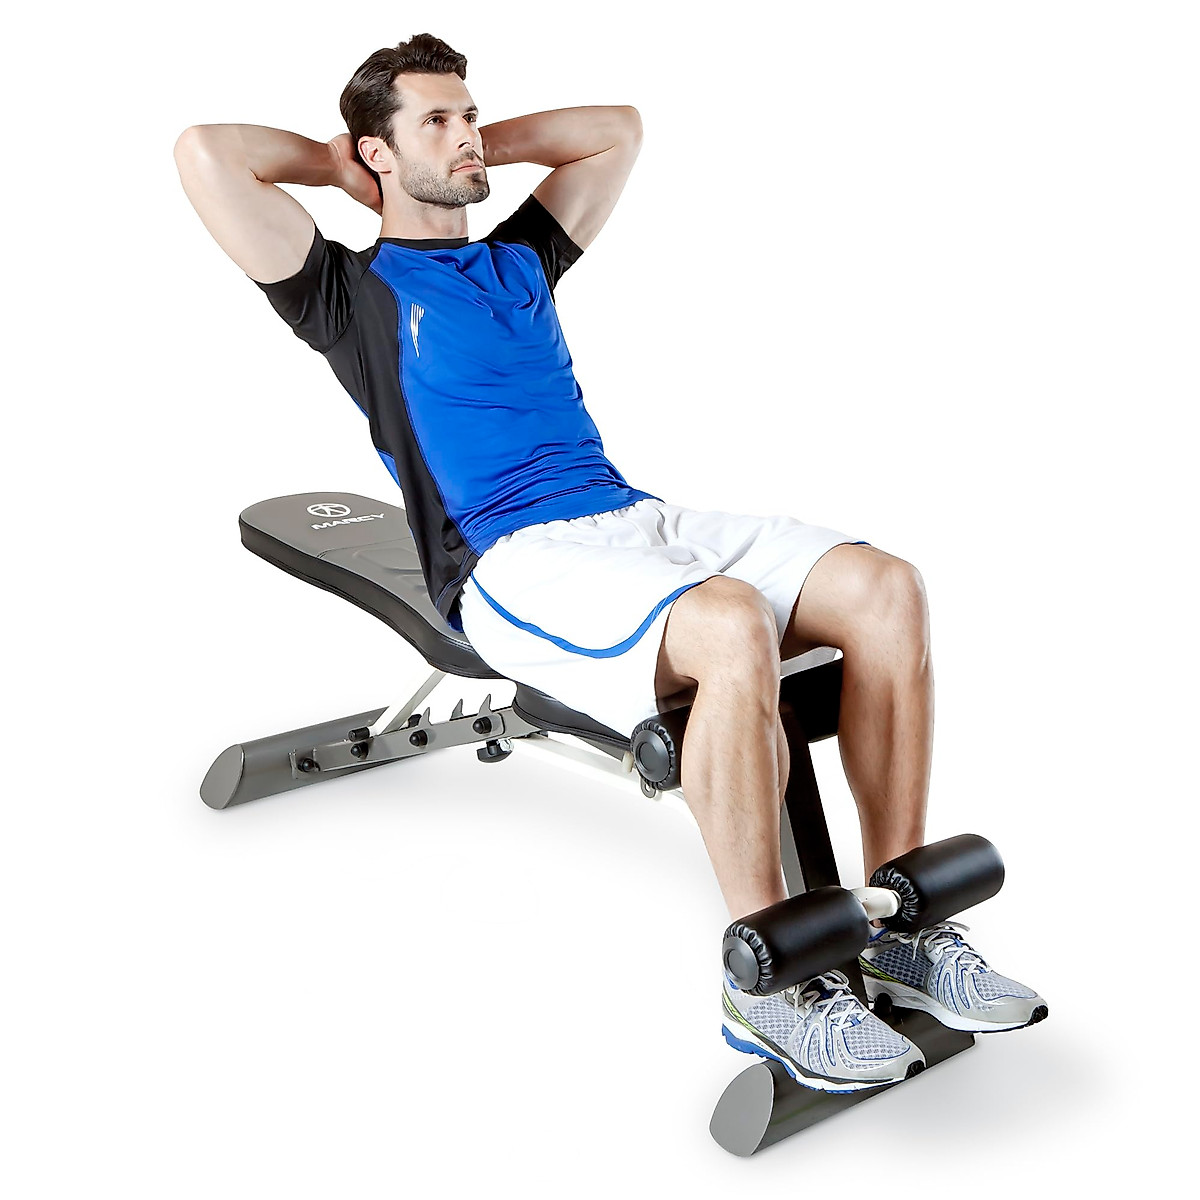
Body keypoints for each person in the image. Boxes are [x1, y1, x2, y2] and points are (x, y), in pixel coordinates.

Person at [174, 32, 1045, 1094]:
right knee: (728, 622)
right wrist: (338, 166)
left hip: (634, 517)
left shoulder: (518, 261)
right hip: (508, 560)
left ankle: (903, 929)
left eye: (470, 114)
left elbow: (615, 131)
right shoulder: (346, 293)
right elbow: (206, 151)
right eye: (438, 121)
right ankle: (769, 986)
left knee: (886, 588)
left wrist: (461, 149)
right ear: (379, 152)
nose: (469, 135)